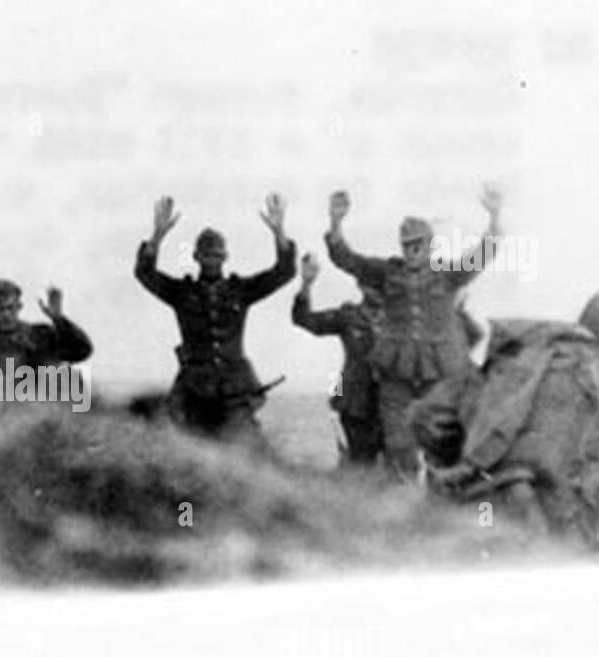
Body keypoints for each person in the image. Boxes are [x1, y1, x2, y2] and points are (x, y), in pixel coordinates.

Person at [409, 288, 599, 553]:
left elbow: (428, 417)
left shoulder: (509, 359)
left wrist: (462, 458)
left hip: (481, 512)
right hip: (536, 527)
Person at [324, 185, 503, 477]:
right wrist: (336, 222)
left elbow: (482, 255)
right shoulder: (387, 273)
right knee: (399, 447)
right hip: (397, 378)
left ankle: (444, 509)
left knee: (444, 447)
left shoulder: (448, 275)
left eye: (418, 244)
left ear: (431, 245)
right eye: (407, 245)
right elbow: (347, 260)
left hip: (441, 377)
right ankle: (401, 510)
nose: (411, 251)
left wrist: (495, 218)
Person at [134, 193, 297, 445]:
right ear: (196, 257)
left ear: (225, 258)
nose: (212, 260)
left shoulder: (240, 290)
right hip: (195, 389)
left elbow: (284, 272)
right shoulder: (181, 293)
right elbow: (144, 273)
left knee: (250, 453)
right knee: (192, 451)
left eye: (217, 255)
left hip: (236, 389)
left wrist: (279, 232)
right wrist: (157, 235)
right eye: (207, 255)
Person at [290, 251, 382, 466]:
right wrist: (306, 284)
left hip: (392, 403)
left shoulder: (402, 320)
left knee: (396, 472)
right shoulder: (348, 316)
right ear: (361, 286)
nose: (377, 289)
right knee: (359, 467)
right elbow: (305, 319)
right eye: (372, 283)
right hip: (355, 403)